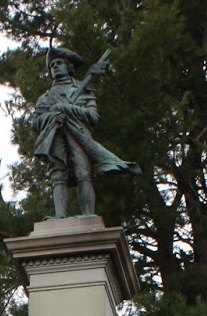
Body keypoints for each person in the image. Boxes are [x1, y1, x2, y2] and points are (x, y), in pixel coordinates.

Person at [30, 45, 140, 217]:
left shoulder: (84, 90)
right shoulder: (45, 98)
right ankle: (60, 217)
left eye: (59, 63)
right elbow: (36, 122)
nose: (55, 67)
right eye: (52, 65)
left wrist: (65, 108)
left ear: (69, 67)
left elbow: (93, 117)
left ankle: (88, 215)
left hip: (80, 137)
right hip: (56, 137)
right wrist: (52, 117)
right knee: (58, 176)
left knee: (84, 175)